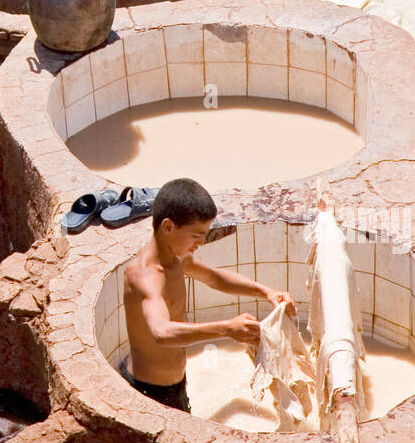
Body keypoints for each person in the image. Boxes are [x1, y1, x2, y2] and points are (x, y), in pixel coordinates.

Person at [120, 177, 295, 413]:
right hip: (149, 392)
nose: (202, 242)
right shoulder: (145, 275)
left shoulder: (177, 259)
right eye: (196, 235)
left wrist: (266, 291)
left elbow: (215, 278)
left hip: (175, 383)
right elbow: (161, 332)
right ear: (168, 227)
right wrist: (226, 328)